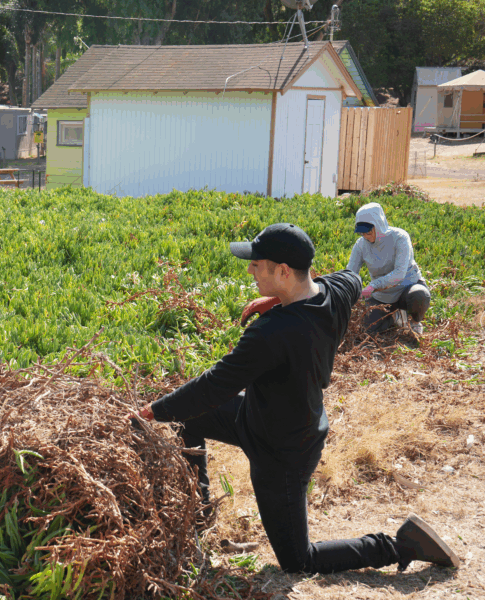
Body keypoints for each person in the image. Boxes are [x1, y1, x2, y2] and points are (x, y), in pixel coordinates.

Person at [130, 223, 459, 574]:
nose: (249, 270)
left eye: (257, 264)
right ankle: (199, 516)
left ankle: (399, 545)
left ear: (284, 271)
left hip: (283, 451)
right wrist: (277, 297)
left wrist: (154, 410)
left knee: (298, 561)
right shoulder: (335, 292)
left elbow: (215, 386)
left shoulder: (272, 333)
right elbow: (350, 278)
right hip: (264, 418)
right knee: (189, 417)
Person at [348, 202, 429, 336]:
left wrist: (373, 285)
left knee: (419, 295)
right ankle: (394, 317)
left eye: (368, 231)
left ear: (378, 225)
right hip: (382, 295)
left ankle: (415, 321)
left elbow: (399, 274)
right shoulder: (360, 245)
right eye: (361, 232)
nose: (365, 236)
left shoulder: (400, 237)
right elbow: (351, 272)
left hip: (406, 287)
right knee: (369, 329)